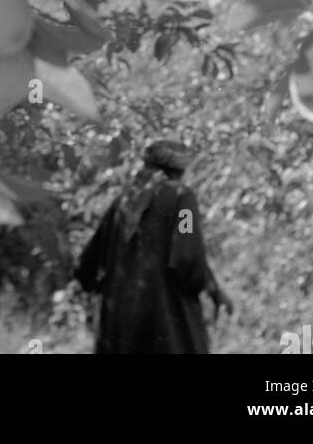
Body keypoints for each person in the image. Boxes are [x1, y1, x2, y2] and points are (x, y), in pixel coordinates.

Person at [74, 140, 233, 354]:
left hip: (119, 330)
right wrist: (208, 289)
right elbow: (187, 255)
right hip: (166, 327)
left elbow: (87, 266)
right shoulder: (182, 199)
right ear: (179, 170)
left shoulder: (122, 202)